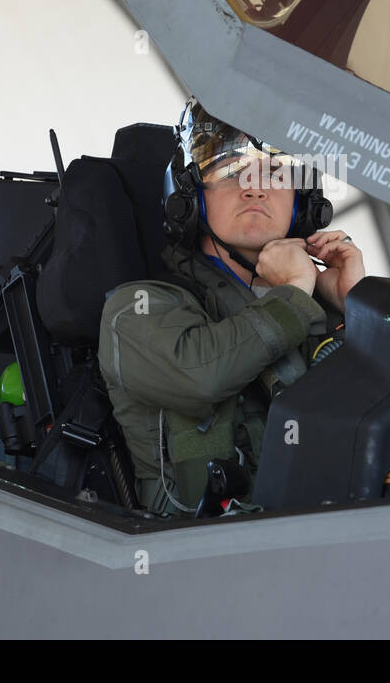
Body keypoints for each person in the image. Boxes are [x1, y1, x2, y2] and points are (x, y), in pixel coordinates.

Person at [98, 97, 365, 516]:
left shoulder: (323, 305)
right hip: (199, 563)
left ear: (303, 197)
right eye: (229, 169)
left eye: (276, 172)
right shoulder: (136, 311)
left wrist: (359, 310)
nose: (256, 186)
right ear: (187, 193)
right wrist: (295, 291)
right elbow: (200, 376)